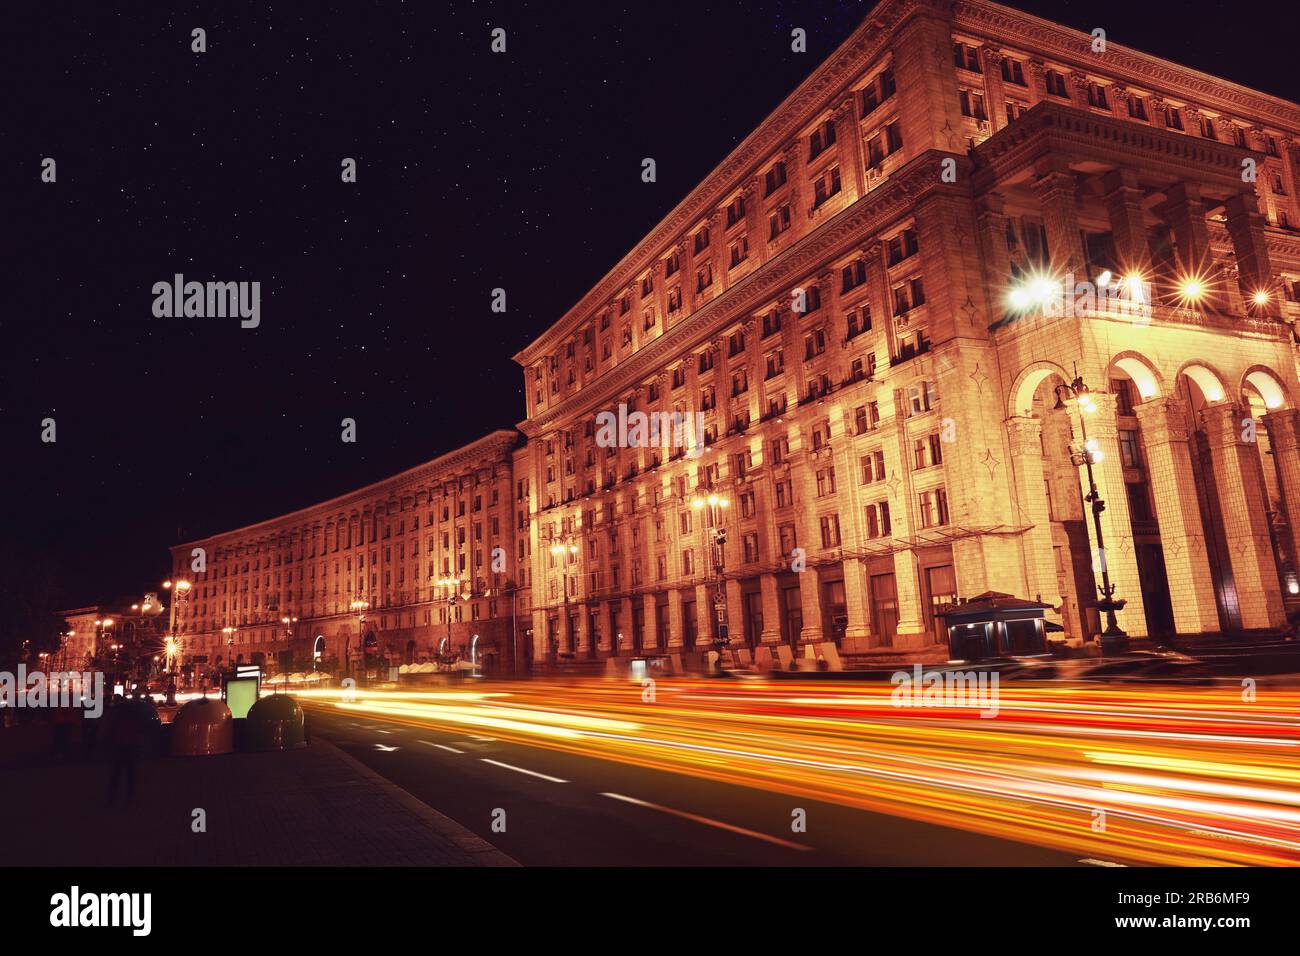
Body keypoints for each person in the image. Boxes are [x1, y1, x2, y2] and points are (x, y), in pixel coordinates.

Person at [104, 695, 144, 807]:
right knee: (130, 774)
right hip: (130, 746)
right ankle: (128, 798)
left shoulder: (115, 713)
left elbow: (109, 729)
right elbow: (139, 730)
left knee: (116, 773)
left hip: (119, 745)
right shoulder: (134, 714)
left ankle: (112, 798)